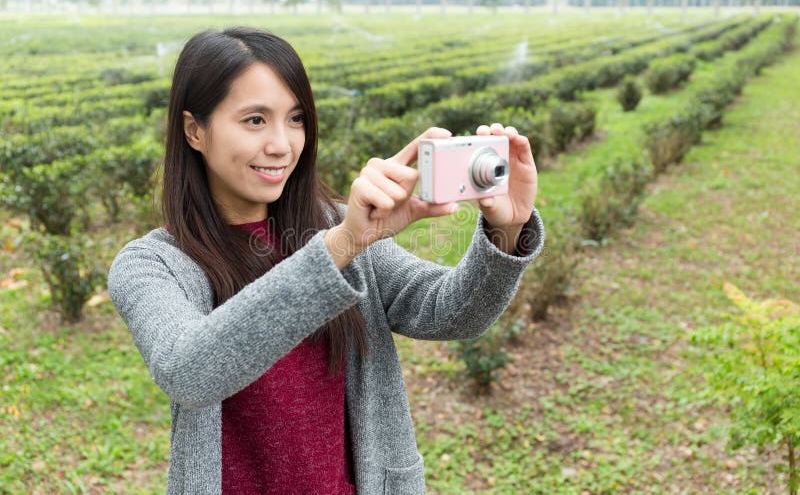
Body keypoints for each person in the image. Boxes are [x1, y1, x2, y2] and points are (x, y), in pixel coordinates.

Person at [107, 26, 545, 495]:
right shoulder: (153, 264)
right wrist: (341, 246)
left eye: (295, 119)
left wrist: (507, 230)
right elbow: (189, 372)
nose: (281, 144)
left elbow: (449, 311)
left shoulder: (335, 225)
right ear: (195, 130)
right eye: (255, 120)